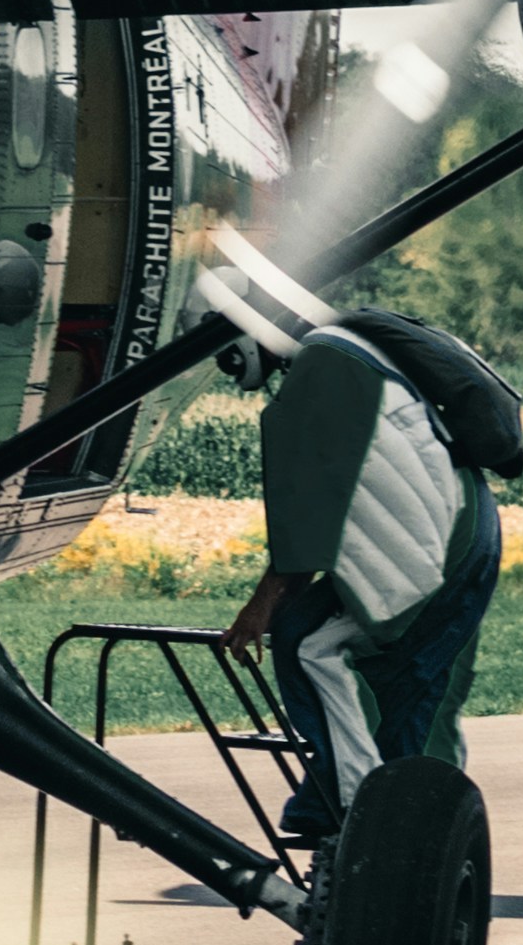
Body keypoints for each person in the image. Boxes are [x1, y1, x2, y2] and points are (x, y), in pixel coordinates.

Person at [216, 309, 505, 843]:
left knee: (307, 644)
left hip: (435, 546)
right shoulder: (353, 352)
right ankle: (416, 838)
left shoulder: (319, 371)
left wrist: (259, 610)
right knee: (409, 690)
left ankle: (350, 803)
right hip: (469, 532)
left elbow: (306, 521)